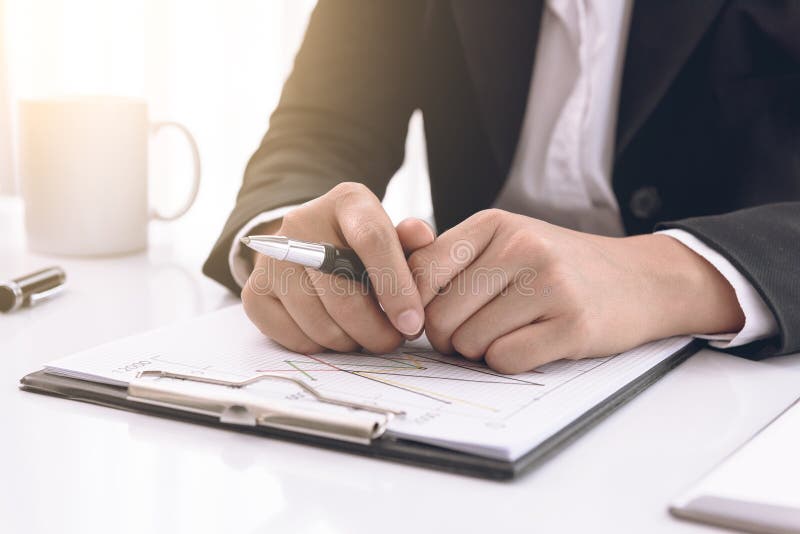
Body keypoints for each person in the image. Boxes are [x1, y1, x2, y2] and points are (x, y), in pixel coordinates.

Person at [204, 1, 800, 374]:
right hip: (462, 363)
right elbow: (321, 127)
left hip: (740, 391)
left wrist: (666, 278)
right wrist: (285, 233)